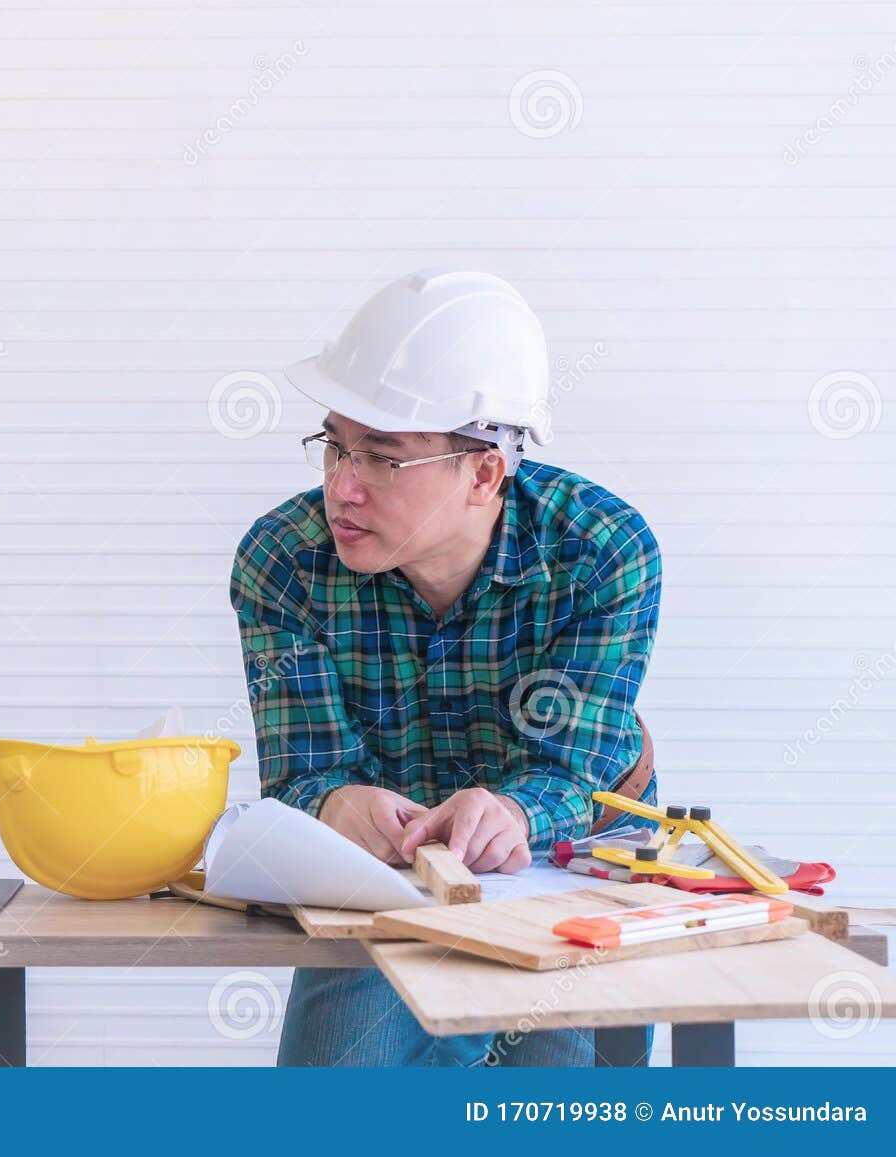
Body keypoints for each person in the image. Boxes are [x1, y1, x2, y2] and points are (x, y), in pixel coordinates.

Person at [228, 269, 661, 1066]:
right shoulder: (283, 562)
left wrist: (517, 813)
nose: (341, 487)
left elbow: (573, 775)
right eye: (335, 444)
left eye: (383, 459)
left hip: (568, 874)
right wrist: (332, 805)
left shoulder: (602, 554)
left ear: (486, 471)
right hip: (382, 881)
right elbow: (300, 778)